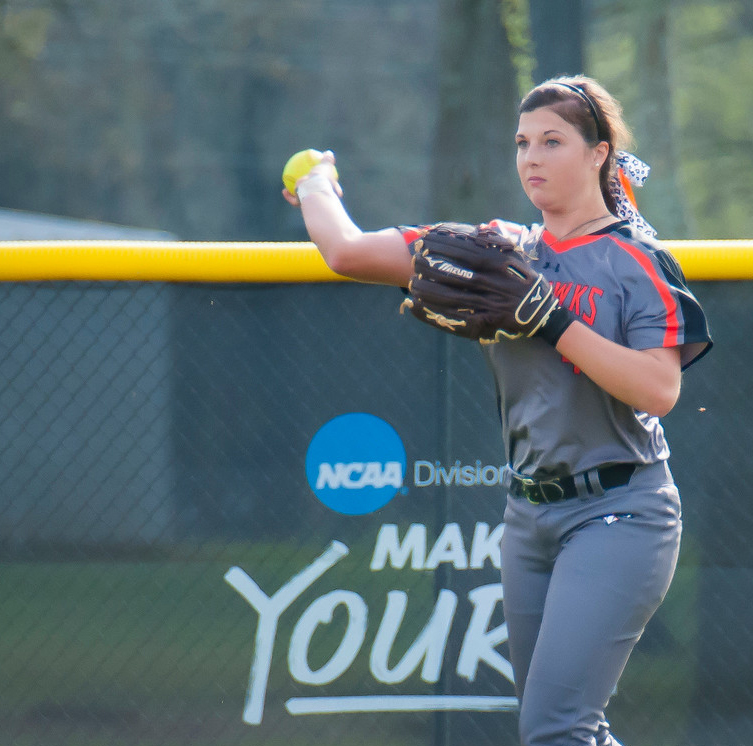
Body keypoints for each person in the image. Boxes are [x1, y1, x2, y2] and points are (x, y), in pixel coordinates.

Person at [284, 75, 711, 746]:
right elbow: (345, 251)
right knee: (565, 731)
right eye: (521, 142)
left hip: (621, 511)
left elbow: (659, 390)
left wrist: (551, 318)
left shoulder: (638, 262)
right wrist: (314, 182)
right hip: (528, 517)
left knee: (555, 728)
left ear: (600, 153)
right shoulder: (500, 252)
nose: (531, 158)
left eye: (552, 141)